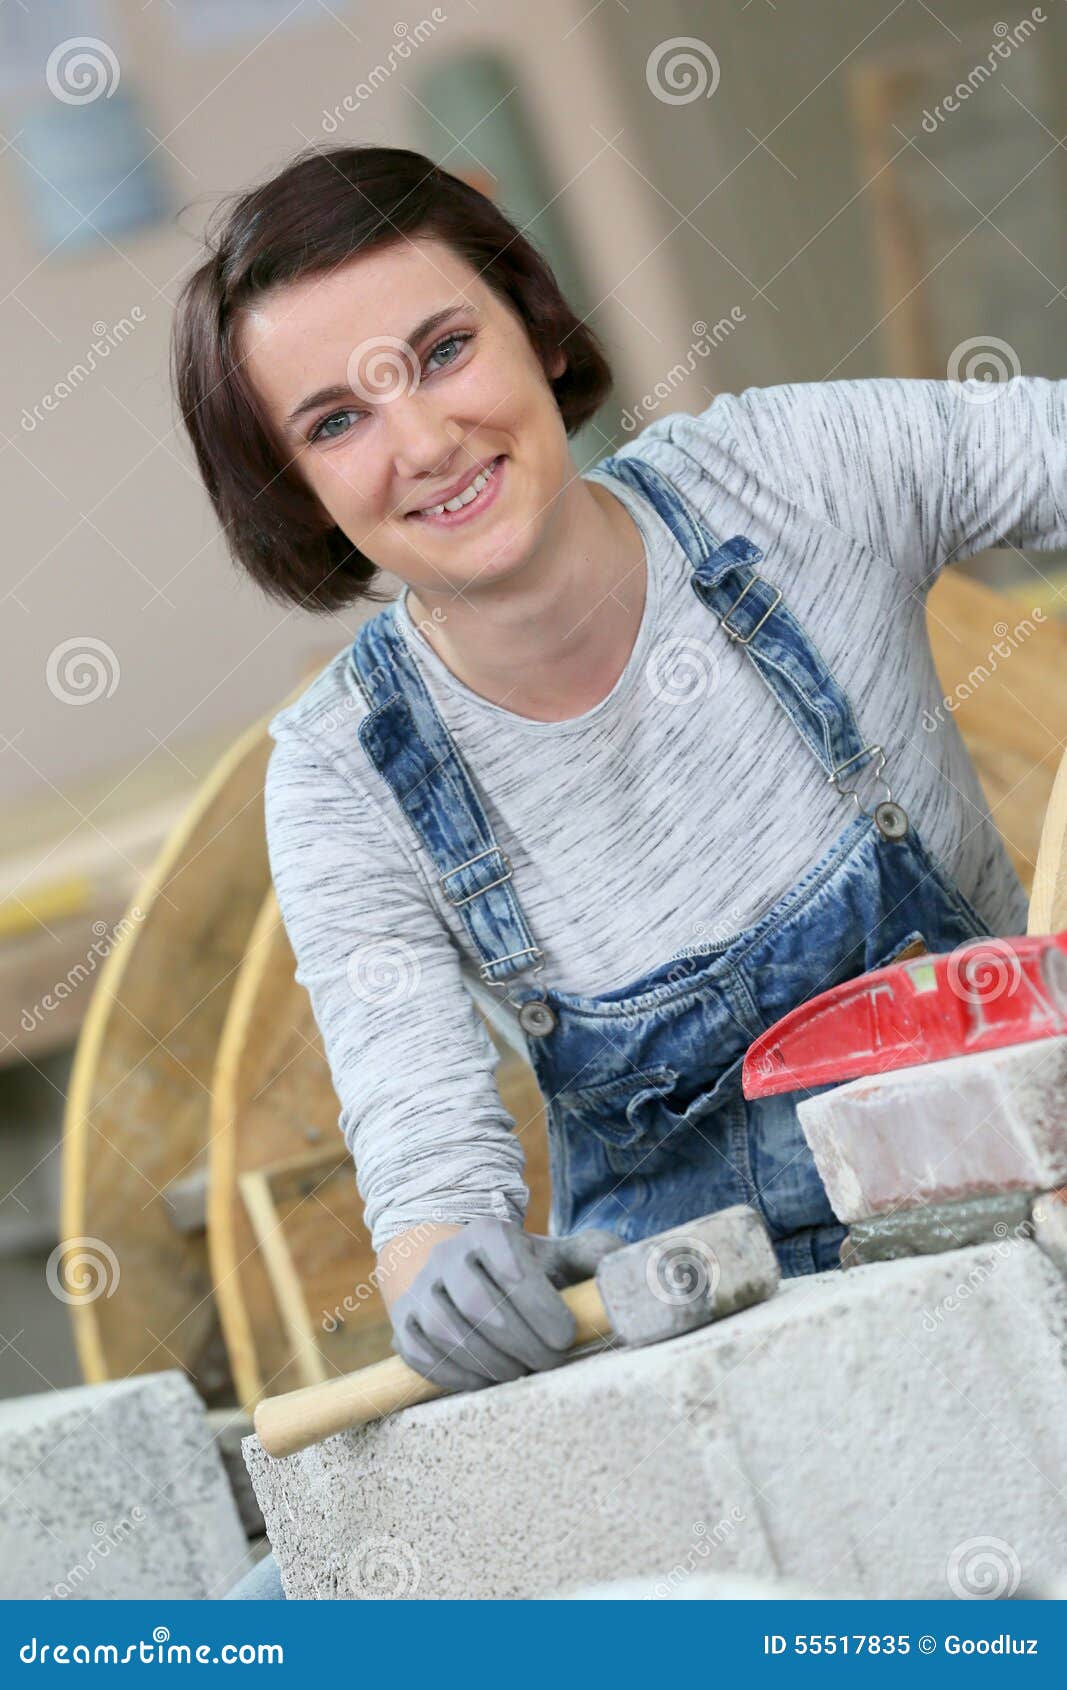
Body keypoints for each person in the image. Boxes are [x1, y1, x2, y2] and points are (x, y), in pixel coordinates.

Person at [172, 143, 1054, 1598]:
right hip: (697, 1382)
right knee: (273, 1613)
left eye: (443, 350)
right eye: (336, 419)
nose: (426, 439)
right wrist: (451, 1282)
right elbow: (430, 1175)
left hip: (1017, 1258)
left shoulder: (789, 477)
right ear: (295, 490)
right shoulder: (345, 775)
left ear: (536, 323)